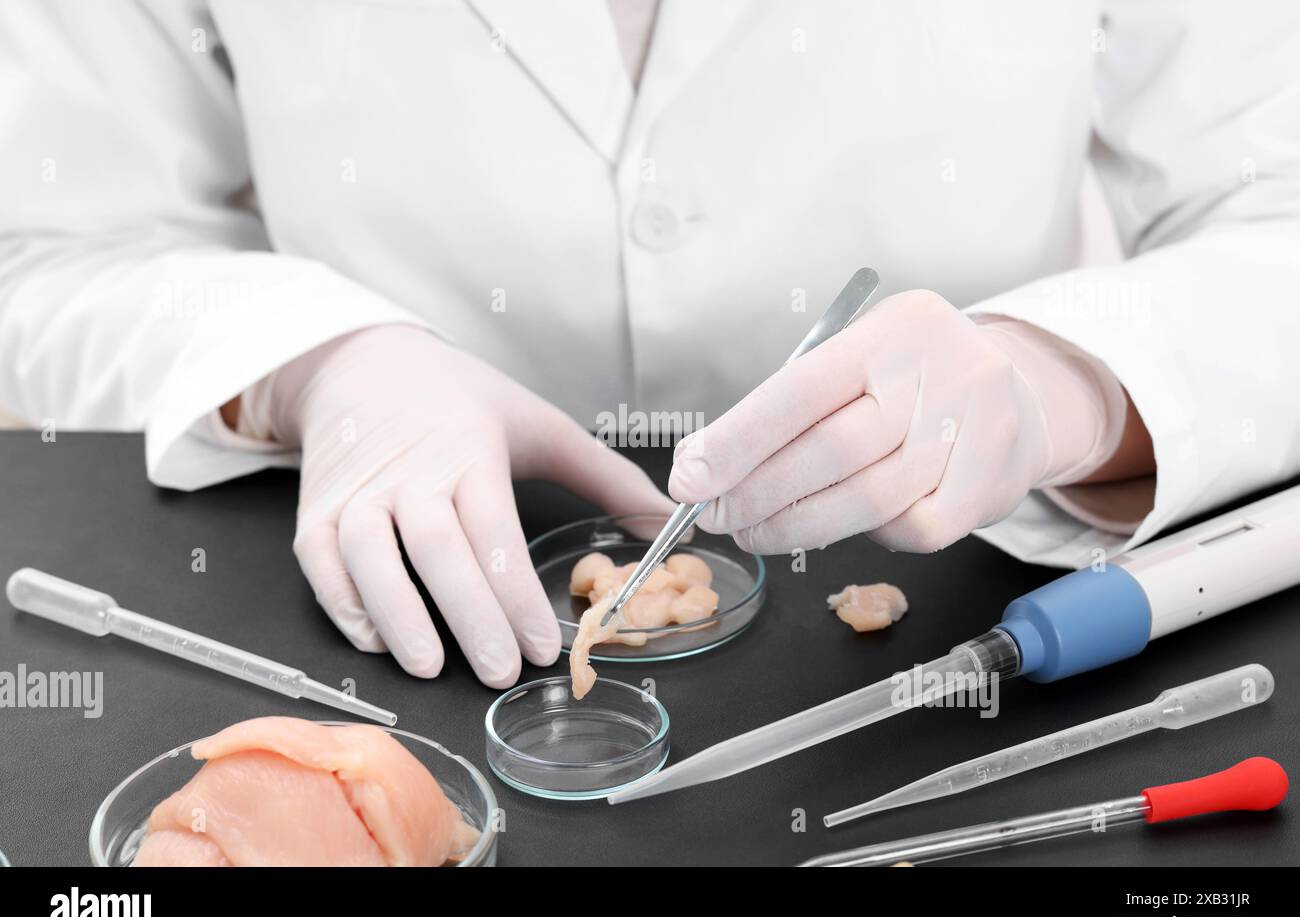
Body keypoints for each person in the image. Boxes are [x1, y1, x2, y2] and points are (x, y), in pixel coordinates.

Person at [2, 1, 1297, 689]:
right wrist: (311, 364)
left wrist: (1060, 384)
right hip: (372, 624)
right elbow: (41, 257)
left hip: (983, 595)